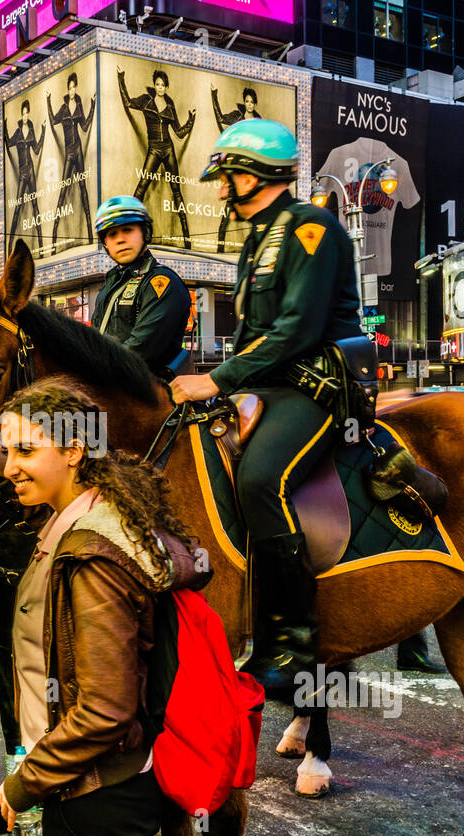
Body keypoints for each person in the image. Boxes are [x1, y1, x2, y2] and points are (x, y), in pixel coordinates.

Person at [0, 379, 208, 836]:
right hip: (87, 786)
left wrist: (23, 783)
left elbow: (104, 711)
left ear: (75, 449)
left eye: (25, 451)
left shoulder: (92, 553)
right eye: (7, 451)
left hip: (93, 799)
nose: (9, 466)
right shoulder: (85, 520)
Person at [169, 118, 364, 689]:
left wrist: (219, 378)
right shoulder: (259, 239)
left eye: (227, 176)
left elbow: (297, 329)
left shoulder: (312, 229)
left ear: (254, 175)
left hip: (316, 387)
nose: (222, 188)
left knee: (260, 480)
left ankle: (292, 643)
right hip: (270, 385)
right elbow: (257, 332)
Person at [90, 196, 190, 380]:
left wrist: (94, 373)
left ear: (145, 232)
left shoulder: (162, 282)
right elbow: (95, 337)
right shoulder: (110, 284)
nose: (120, 239)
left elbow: (140, 349)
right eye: (111, 234)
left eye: (127, 230)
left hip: (148, 392)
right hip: (109, 387)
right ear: (105, 243)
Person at [120, 68, 196, 249]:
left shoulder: (170, 104)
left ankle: (188, 239)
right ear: (154, 86)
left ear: (166, 87)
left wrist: (191, 119)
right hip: (154, 149)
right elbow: (128, 101)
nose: (160, 87)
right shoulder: (146, 101)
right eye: (157, 84)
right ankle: (126, 227)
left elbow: (178, 132)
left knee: (177, 191)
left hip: (168, 149)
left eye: (163, 85)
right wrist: (121, 77)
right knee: (142, 187)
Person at [46, 73, 96, 250]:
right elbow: (53, 121)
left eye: (74, 87)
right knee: (63, 190)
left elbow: (84, 126)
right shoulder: (64, 108)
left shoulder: (80, 106)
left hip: (79, 150)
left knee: (83, 189)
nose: (72, 90)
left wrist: (92, 106)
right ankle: (53, 238)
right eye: (70, 87)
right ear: (68, 89)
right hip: (68, 152)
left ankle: (91, 236)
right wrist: (48, 102)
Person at [211, 86, 262, 253]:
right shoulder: (237, 117)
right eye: (247, 101)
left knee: (257, 212)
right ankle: (220, 247)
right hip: (238, 171)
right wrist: (214, 94)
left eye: (251, 102)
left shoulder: (259, 122)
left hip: (252, 172)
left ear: (255, 104)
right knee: (228, 211)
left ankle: (256, 250)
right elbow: (220, 118)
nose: (249, 104)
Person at [3, 102, 47, 253]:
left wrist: (43, 132)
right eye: (23, 113)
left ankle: (41, 246)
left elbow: (36, 149)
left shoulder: (32, 130)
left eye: (27, 113)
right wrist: (4, 125)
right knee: (17, 208)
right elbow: (8, 143)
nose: (25, 116)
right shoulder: (18, 132)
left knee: (35, 206)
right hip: (22, 172)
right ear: (21, 115)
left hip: (31, 171)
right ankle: (9, 248)